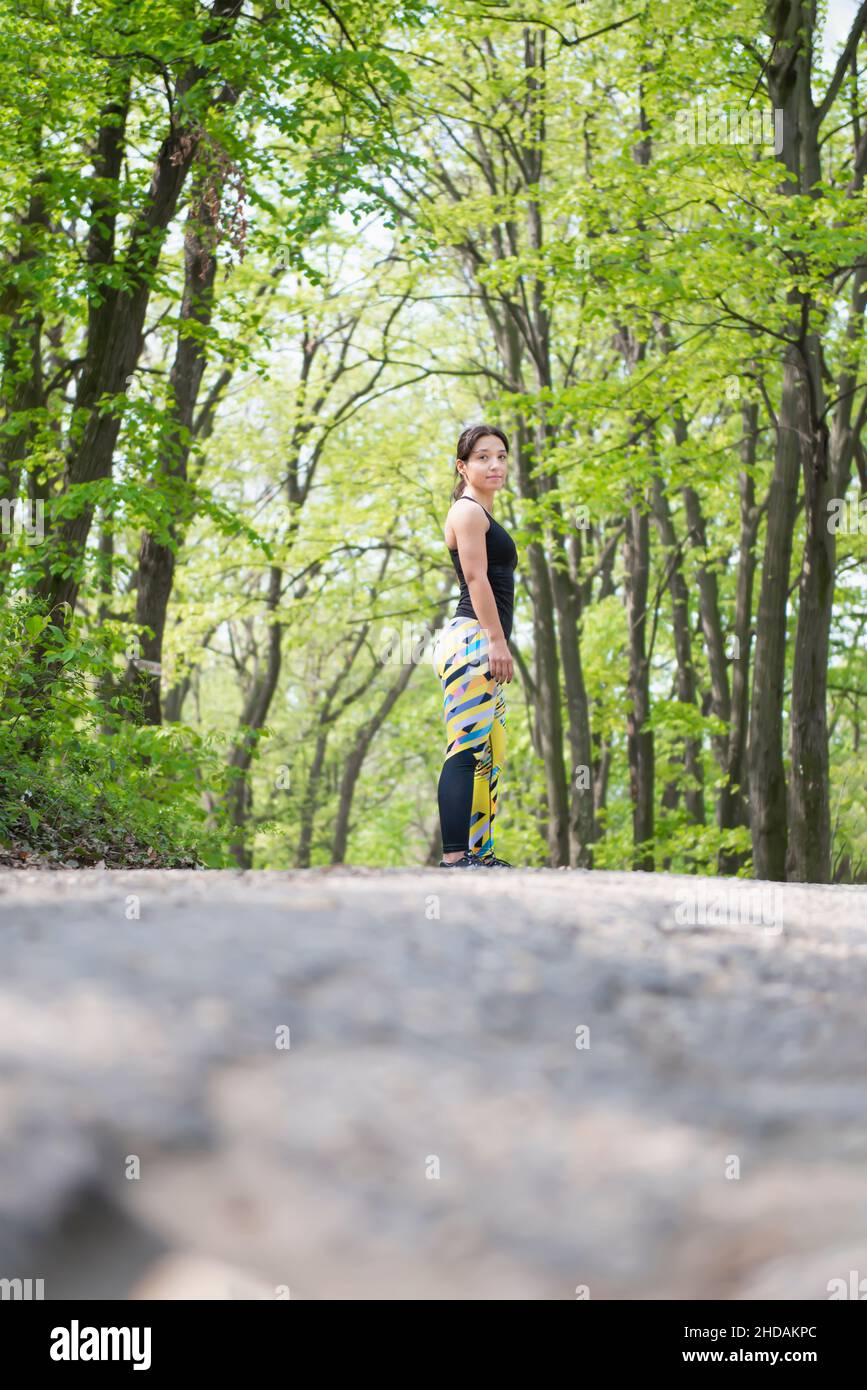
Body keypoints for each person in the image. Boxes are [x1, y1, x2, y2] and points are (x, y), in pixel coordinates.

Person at [432, 424, 518, 868]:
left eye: (501, 456)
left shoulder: (484, 515)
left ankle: (480, 854)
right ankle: (453, 859)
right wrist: (496, 641)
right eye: (483, 457)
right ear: (463, 467)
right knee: (465, 748)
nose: (495, 464)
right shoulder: (466, 512)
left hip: (483, 641)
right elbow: (475, 579)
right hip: (472, 641)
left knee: (491, 750)